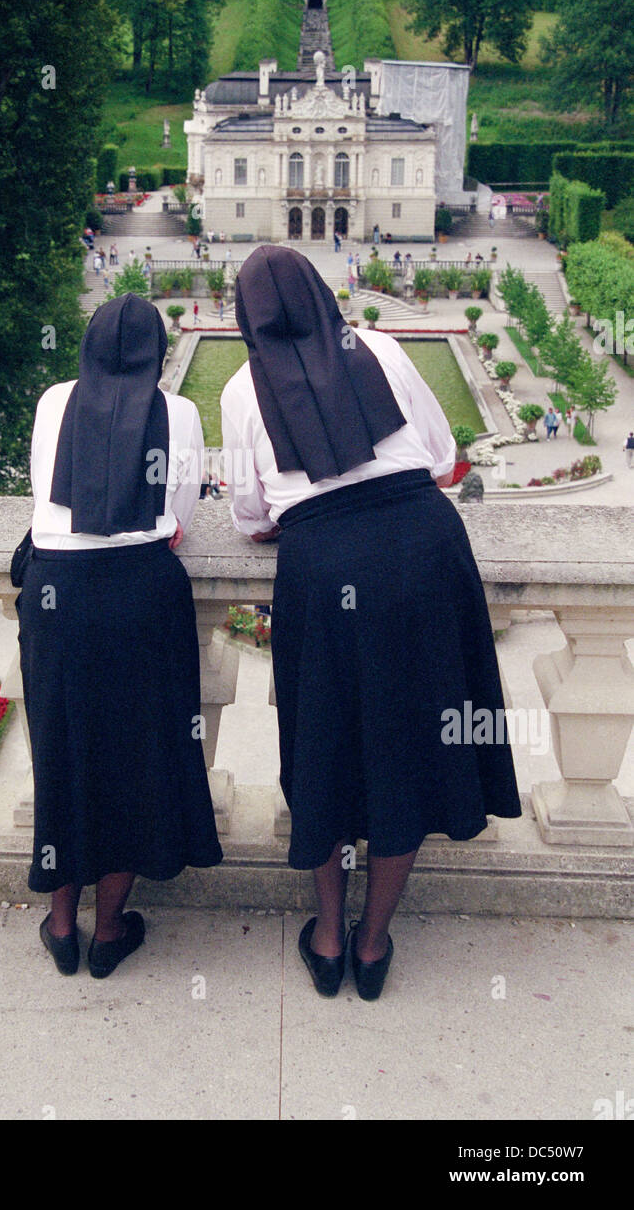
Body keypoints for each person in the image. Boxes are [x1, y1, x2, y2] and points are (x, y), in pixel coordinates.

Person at [220, 246, 520, 1001]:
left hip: (323, 567)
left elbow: (250, 516)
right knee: (410, 744)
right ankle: (374, 942)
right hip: (422, 548)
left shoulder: (238, 387)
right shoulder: (380, 346)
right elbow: (446, 457)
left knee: (322, 745)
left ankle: (326, 939)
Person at [17, 294, 222, 979]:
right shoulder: (179, 412)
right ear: (157, 355)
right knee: (135, 758)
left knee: (62, 751)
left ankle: (58, 925)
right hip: (139, 591)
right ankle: (108, 933)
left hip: (57, 593)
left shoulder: (53, 401)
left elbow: (42, 492)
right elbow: (183, 511)